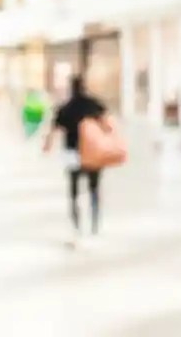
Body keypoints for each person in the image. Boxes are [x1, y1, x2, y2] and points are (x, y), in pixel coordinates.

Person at [43, 75, 108, 246]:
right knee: (94, 188)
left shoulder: (66, 107)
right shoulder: (93, 105)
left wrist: (47, 145)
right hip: (92, 153)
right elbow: (106, 123)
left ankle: (77, 224)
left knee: (73, 191)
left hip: (72, 154)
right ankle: (94, 223)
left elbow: (55, 128)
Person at [155, 99, 181, 212]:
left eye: (174, 112)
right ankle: (167, 203)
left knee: (177, 178)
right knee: (167, 178)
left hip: (176, 158)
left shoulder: (180, 127)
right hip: (168, 157)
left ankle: (177, 202)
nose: (172, 115)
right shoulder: (164, 127)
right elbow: (158, 143)